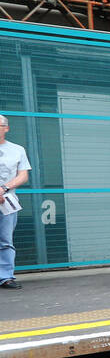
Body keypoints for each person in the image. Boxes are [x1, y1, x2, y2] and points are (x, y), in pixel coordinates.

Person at [0, 114, 30, 289]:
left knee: (5, 240)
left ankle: (5, 277)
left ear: (6, 128)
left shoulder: (17, 149)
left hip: (7, 201)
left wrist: (3, 189)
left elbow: (23, 175)